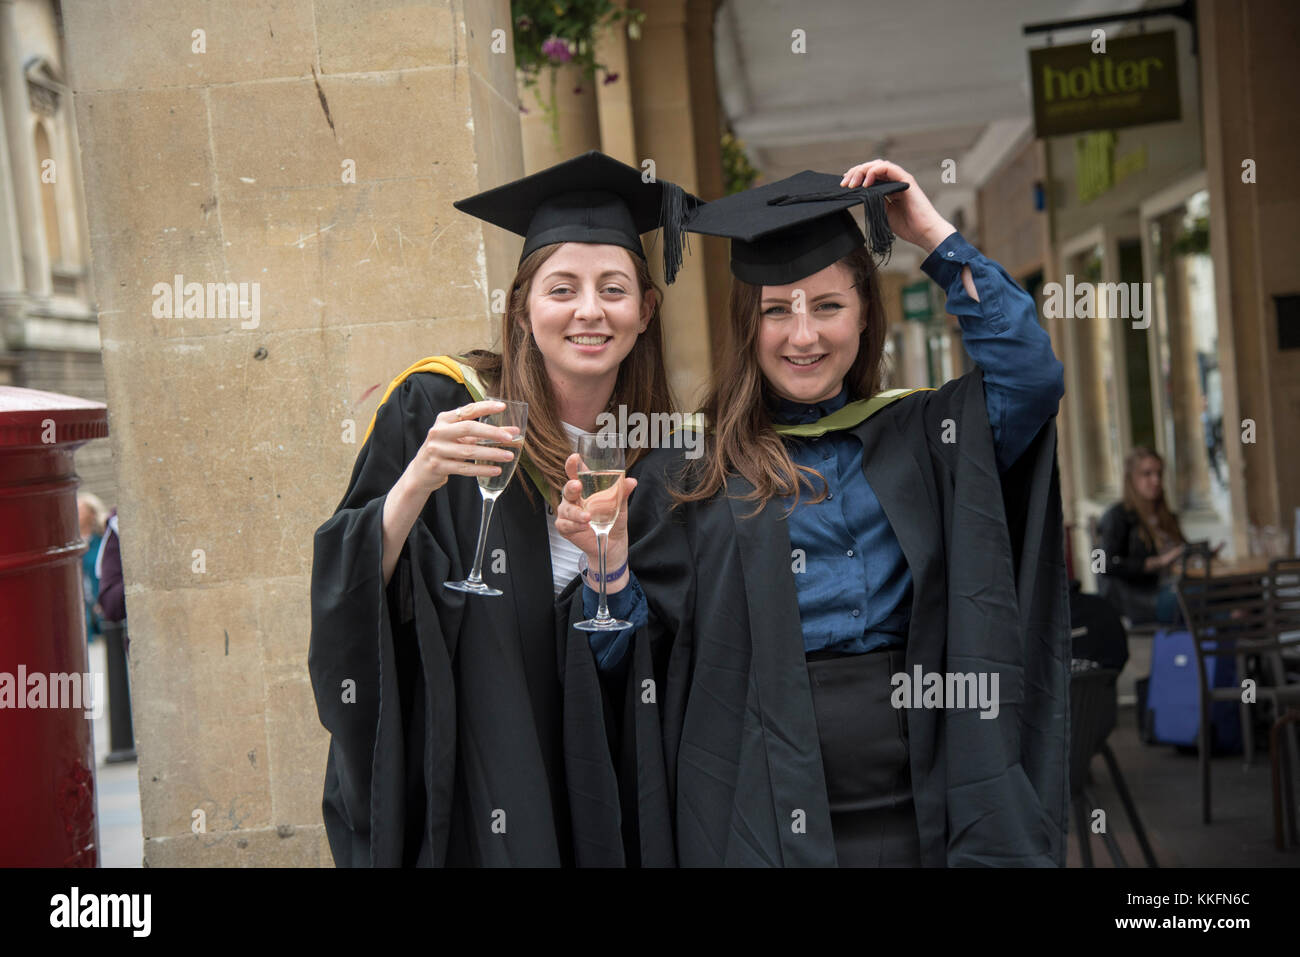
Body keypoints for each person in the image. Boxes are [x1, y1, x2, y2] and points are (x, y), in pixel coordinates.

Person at [556, 160, 1071, 866]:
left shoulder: (927, 434)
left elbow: (1031, 375)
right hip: (761, 804)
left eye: (827, 305)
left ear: (865, 313)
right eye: (776, 310)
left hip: (932, 792)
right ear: (749, 324)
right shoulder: (693, 471)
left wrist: (932, 236)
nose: (803, 336)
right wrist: (607, 570)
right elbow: (628, 663)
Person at [308, 151, 695, 866]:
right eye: (562, 288)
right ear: (522, 305)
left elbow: (666, 662)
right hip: (478, 775)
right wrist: (417, 480)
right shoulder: (447, 410)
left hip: (597, 777)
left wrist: (611, 576)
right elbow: (347, 578)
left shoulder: (664, 457)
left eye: (614, 289)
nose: (589, 310)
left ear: (644, 311)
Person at [1096, 447, 1210, 625]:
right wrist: (1158, 562)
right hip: (1143, 598)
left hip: (1176, 586)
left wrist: (1202, 554)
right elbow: (1102, 565)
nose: (1156, 480)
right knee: (1205, 597)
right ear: (1131, 478)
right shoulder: (1117, 516)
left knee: (1231, 589)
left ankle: (1238, 635)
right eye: (1147, 474)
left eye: (1159, 474)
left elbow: (1182, 551)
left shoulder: (1166, 516)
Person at [78, 492, 109, 643]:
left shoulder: (101, 540)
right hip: (82, 609)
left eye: (80, 510)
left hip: (100, 604)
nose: (76, 513)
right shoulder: (72, 543)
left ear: (92, 513)